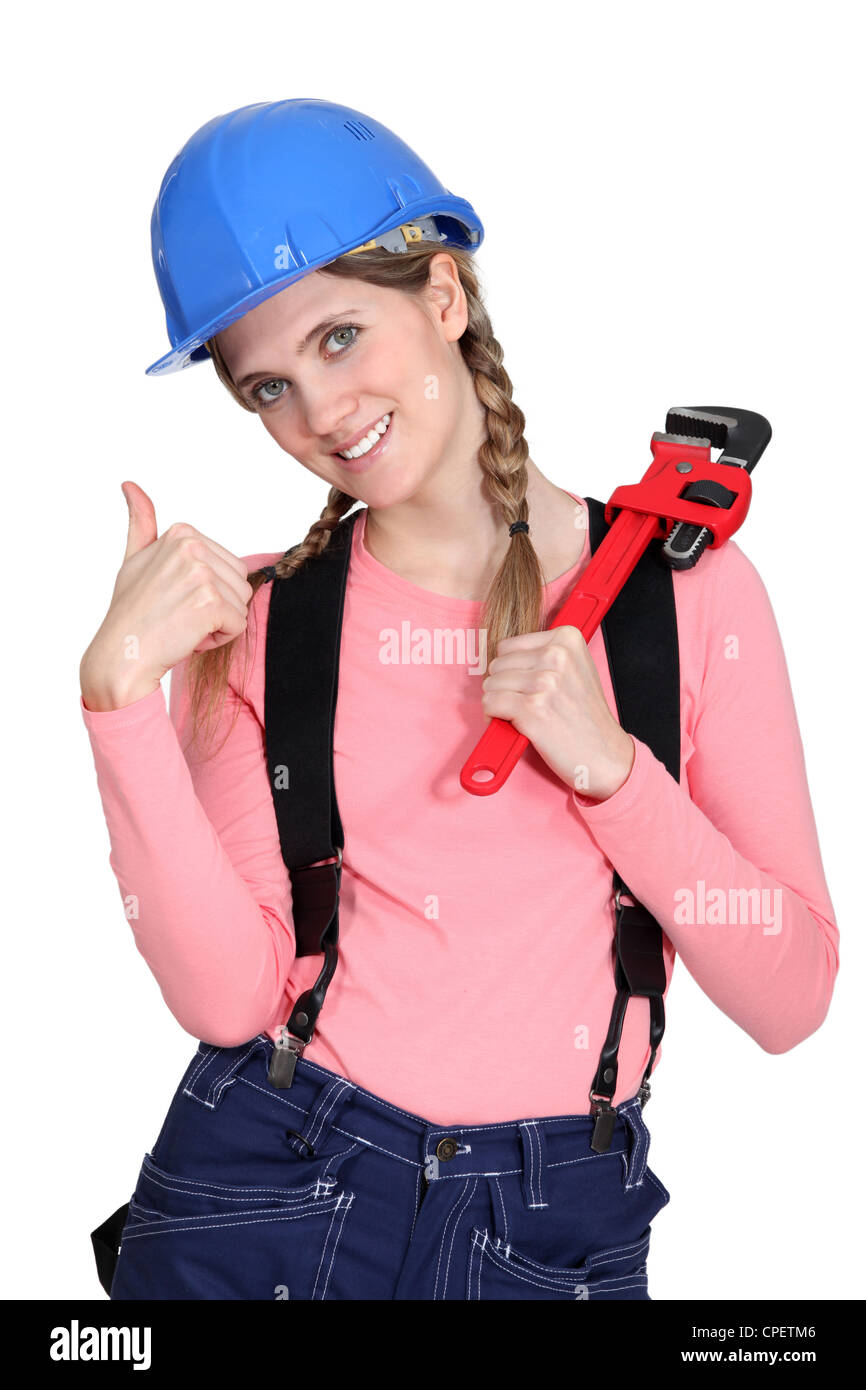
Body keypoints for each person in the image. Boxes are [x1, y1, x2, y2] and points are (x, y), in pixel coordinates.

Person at [80, 99, 839, 1301]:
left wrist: (611, 772)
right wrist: (117, 702)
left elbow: (791, 993)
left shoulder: (683, 595)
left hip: (549, 1233)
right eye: (265, 387)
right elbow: (228, 996)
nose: (319, 416)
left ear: (442, 294)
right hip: (276, 1193)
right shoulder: (263, 622)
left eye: (338, 338)